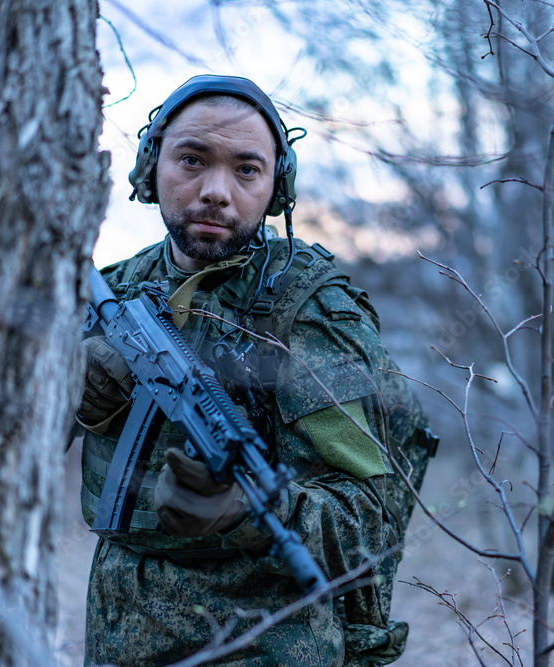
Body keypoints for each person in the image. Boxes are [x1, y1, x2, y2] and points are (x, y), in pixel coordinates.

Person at [76, 75, 436, 667]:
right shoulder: (110, 292)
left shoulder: (309, 311)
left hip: (263, 643)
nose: (216, 191)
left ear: (277, 187)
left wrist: (250, 514)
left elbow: (372, 521)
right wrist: (67, 388)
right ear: (151, 166)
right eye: (192, 159)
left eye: (246, 170)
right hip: (116, 633)